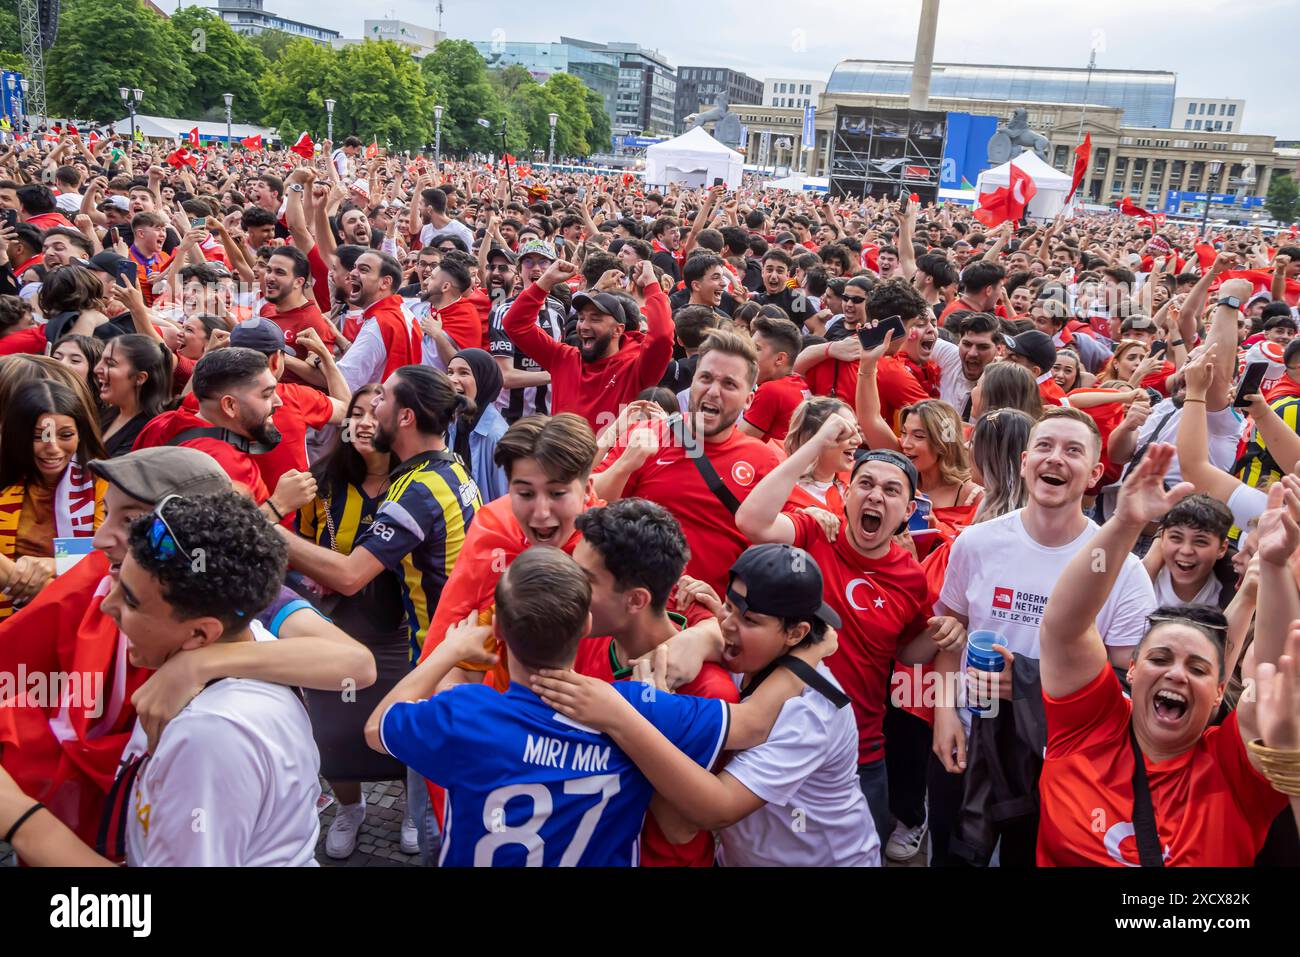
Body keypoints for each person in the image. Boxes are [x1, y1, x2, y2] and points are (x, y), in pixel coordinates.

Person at [0, 446, 373, 852]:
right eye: (106, 513)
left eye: (130, 521)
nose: (100, 537)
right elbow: (17, 662)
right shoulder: (105, 576)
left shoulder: (230, 596)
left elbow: (355, 664)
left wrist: (198, 664)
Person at [365, 546, 822, 866]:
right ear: (586, 624)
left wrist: (447, 651)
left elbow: (376, 728)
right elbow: (752, 725)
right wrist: (808, 655)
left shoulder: (465, 715)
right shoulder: (634, 708)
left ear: (498, 630)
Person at [537, 542, 882, 867]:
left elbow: (716, 809)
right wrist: (703, 631)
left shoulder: (811, 713)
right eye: (728, 606)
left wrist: (625, 718)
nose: (727, 623)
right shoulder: (741, 657)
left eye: (750, 620)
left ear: (795, 634)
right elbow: (715, 637)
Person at [1035, 445, 1290, 866]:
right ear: (1131, 670)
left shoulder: (1235, 772)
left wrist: (1276, 569)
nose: (1176, 674)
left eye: (1197, 668)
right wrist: (1124, 524)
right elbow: (1064, 626)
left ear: (1219, 693)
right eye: (1159, 658)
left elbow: (1275, 681)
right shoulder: (1088, 726)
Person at [931, 406, 1157, 865]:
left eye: (1073, 451)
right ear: (1023, 461)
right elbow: (950, 637)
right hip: (970, 742)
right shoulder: (976, 544)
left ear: (1094, 473)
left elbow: (1128, 682)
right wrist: (943, 714)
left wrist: (1035, 687)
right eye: (1045, 447)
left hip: (1060, 757)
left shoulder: (1125, 571)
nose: (1056, 459)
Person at [736, 416, 962, 845]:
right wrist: (817, 442)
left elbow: (906, 653)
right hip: (776, 731)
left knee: (863, 845)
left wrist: (943, 632)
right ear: (847, 491)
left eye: (891, 490)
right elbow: (750, 520)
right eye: (865, 484)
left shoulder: (911, 577)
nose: (876, 495)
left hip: (861, 746)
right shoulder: (815, 533)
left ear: (909, 511)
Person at [570, 498, 740, 866]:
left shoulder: (711, 692)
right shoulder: (584, 640)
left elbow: (681, 828)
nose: (570, 590)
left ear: (635, 600)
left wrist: (642, 719)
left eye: (584, 581)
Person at [278, 365, 481, 659]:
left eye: (382, 399)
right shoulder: (452, 466)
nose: (373, 404)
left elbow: (349, 576)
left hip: (440, 656)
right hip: (458, 645)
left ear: (406, 417)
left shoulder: (417, 491)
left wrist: (265, 523)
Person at [296, 384, 412, 860]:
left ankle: (411, 807)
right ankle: (350, 807)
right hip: (334, 627)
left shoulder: (417, 483)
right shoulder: (321, 481)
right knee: (332, 726)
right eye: (356, 413)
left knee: (400, 719)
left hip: (400, 629)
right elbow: (302, 546)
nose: (363, 421)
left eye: (375, 413)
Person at [593, 330, 780, 596]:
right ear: (692, 383)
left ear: (748, 400)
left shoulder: (764, 460)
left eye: (729, 384)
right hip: (634, 609)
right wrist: (625, 465)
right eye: (705, 378)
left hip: (711, 620)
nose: (713, 392)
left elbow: (785, 536)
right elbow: (590, 502)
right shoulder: (646, 435)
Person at [502, 258, 672, 433]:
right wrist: (546, 281)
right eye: (581, 318)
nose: (583, 326)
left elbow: (662, 337)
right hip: (558, 458)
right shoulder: (563, 358)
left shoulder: (635, 368)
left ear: (618, 330)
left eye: (595, 319)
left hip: (613, 461)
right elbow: (515, 324)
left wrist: (651, 284)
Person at [0, 379, 107, 619]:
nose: (54, 448)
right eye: (39, 437)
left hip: (73, 619)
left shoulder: (102, 482)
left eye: (66, 435)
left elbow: (115, 552)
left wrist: (56, 564)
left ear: (81, 434)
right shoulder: (5, 477)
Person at [487, 239, 566, 422]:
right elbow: (505, 376)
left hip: (548, 417)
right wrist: (558, 374)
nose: (536, 268)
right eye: (529, 262)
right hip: (511, 418)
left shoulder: (558, 308)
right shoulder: (503, 312)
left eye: (543, 262)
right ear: (519, 270)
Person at [336, 251, 422, 393]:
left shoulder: (379, 324)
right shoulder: (402, 312)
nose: (352, 273)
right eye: (354, 267)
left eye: (363, 269)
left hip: (376, 409)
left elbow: (343, 381)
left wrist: (319, 358)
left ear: (385, 282)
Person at [1141, 494, 1236, 608]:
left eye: (1200, 542)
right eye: (1176, 538)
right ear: (1162, 538)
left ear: (1222, 548)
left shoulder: (1231, 598)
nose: (1186, 551)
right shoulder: (1135, 578)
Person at [446, 348, 509, 502]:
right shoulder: (452, 422)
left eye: (463, 373)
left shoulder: (497, 437)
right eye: (449, 372)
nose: (453, 379)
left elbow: (505, 500)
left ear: (483, 380)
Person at [94, 334, 171, 458]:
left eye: (110, 363)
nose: (97, 369)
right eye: (100, 361)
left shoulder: (152, 431)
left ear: (140, 378)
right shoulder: (109, 413)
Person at [738, 315, 810, 443]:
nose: (748, 354)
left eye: (756, 348)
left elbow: (738, 443)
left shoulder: (771, 390)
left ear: (780, 359)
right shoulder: (800, 384)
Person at [782, 397, 860, 513]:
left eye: (856, 430)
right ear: (814, 437)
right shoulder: (783, 493)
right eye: (844, 431)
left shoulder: (860, 478)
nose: (858, 440)